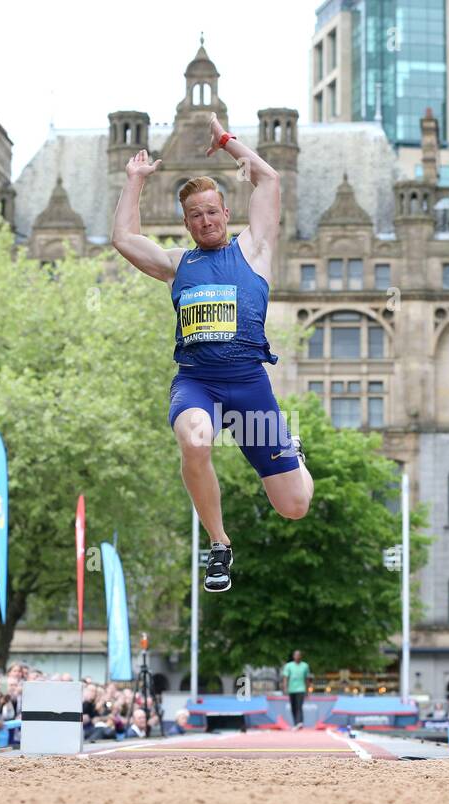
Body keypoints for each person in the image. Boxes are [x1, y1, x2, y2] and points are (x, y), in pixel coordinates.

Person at [111, 113, 314, 593]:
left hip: (248, 385)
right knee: (196, 441)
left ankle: (295, 457)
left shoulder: (254, 249)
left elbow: (269, 177)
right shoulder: (177, 264)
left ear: (226, 213)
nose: (205, 220)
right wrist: (136, 182)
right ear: (187, 223)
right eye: (195, 215)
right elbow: (124, 238)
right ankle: (219, 546)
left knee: (294, 506)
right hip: (197, 382)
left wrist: (228, 143)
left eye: (212, 210)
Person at [280, 650, 313, 730]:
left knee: (299, 706)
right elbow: (285, 677)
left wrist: (307, 690)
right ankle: (296, 723)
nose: (297, 656)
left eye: (299, 655)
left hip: (301, 689)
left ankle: (300, 722)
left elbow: (307, 678)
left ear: (301, 656)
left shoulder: (305, 666)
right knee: (293, 706)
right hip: (292, 689)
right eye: (296, 655)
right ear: (293, 656)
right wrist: (285, 687)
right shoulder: (289, 666)